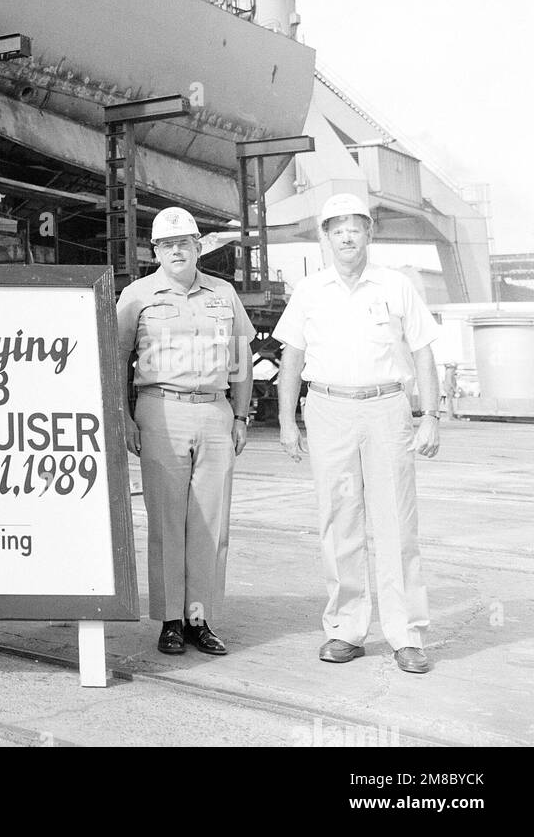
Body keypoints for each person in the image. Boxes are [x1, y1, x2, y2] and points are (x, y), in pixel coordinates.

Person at [273, 192, 440, 675]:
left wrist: (430, 413)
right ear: (324, 237)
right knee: (339, 522)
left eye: (356, 227)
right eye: (337, 228)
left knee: (396, 524)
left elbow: (424, 351)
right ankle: (346, 629)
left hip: (387, 409)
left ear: (370, 233)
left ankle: (406, 634)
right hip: (329, 411)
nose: (347, 235)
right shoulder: (309, 290)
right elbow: (292, 358)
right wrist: (287, 421)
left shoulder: (396, 285)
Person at [117, 207, 254, 657]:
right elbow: (116, 359)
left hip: (215, 413)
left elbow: (241, 358)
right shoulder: (136, 296)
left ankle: (200, 618)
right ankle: (170, 621)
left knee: (210, 523)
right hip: (161, 411)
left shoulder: (223, 293)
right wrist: (124, 416)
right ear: (154, 251)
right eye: (166, 245)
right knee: (166, 522)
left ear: (199, 246)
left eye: (184, 243)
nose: (176, 251)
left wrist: (239, 416)